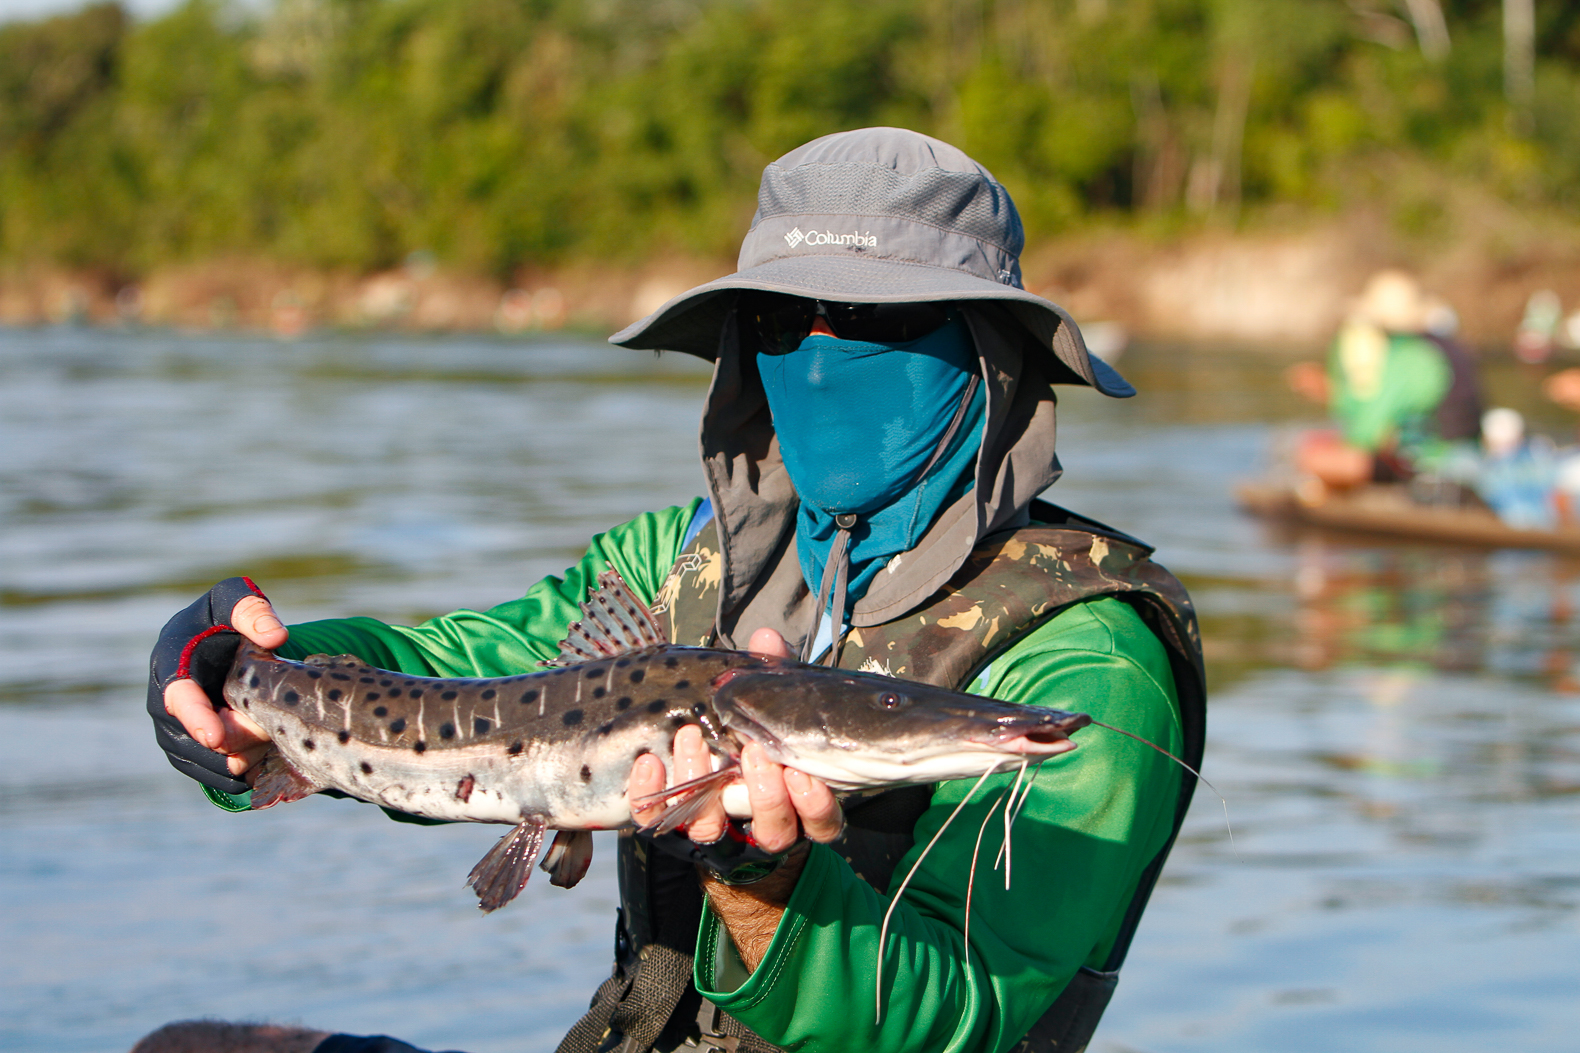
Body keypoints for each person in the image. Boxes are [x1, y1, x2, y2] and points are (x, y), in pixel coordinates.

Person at [139, 128, 1206, 1053]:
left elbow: (946, 1019)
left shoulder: (1088, 662)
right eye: (784, 319)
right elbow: (461, 668)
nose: (822, 350)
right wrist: (236, 669)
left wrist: (759, 873)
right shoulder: (681, 561)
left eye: (876, 319)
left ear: (989, 357)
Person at [1287, 269, 1481, 491]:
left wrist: (1332, 394)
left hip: (1431, 466)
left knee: (1310, 456)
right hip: (1464, 453)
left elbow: (1367, 435)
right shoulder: (1450, 348)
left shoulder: (1406, 357)